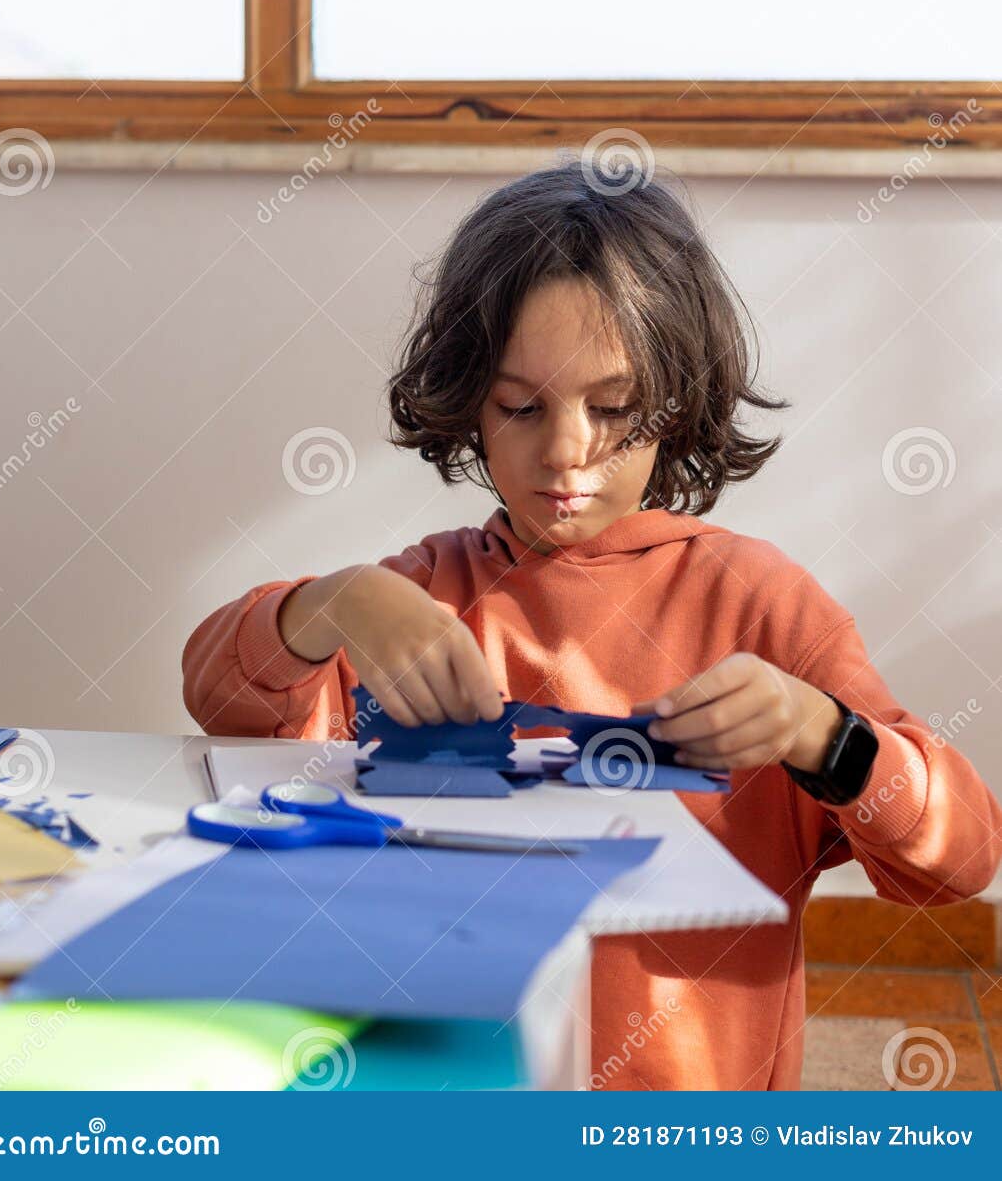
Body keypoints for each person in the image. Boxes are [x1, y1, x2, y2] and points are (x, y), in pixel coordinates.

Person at [183, 159, 1002, 1089]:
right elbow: (221, 696)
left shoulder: (761, 609)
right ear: (469, 402)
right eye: (520, 406)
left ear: (677, 404)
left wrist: (822, 733)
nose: (567, 449)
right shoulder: (422, 599)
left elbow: (963, 856)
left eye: (614, 409)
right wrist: (334, 600)